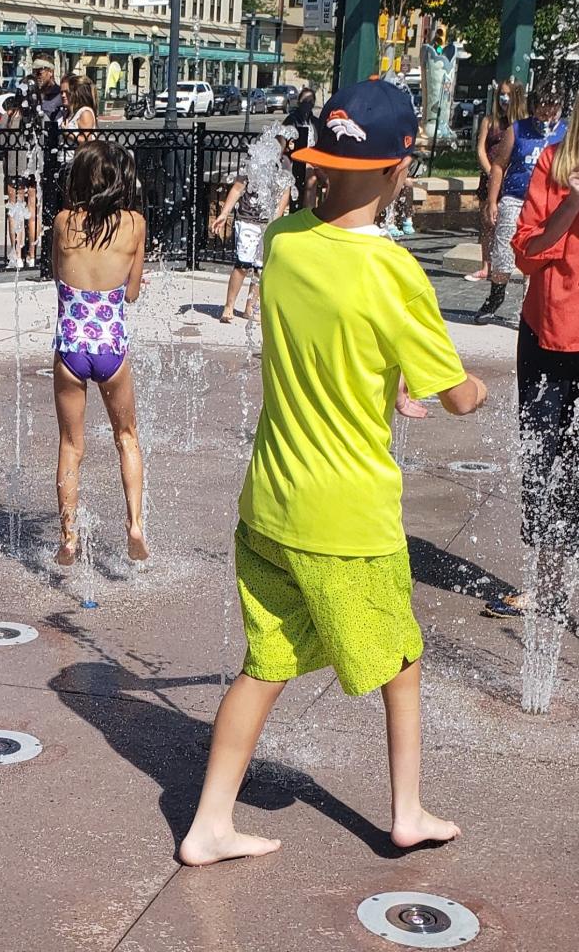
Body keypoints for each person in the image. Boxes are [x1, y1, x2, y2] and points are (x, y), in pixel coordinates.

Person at [178, 80, 487, 867]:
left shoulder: (282, 241)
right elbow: (457, 397)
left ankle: (211, 822)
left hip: (271, 503)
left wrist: (383, 385)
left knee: (266, 663)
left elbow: (328, 344)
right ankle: (407, 812)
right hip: (347, 516)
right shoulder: (393, 274)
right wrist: (470, 388)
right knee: (403, 659)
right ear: (399, 169)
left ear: (321, 162)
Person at [482, 114, 579, 659]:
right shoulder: (555, 162)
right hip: (548, 335)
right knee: (543, 464)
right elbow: (524, 252)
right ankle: (545, 587)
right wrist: (571, 204)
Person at [51, 139, 148, 567]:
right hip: (111, 347)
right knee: (126, 438)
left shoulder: (61, 222)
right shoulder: (134, 225)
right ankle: (135, 526)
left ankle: (69, 536)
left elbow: (58, 275)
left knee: (71, 445)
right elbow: (131, 293)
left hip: (71, 346)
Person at [476, 84, 565, 324]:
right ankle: (495, 296)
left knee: (539, 253)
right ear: (535, 105)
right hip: (515, 198)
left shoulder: (565, 132)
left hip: (549, 203)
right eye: (544, 105)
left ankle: (527, 309)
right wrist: (492, 200)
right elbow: (498, 164)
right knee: (503, 249)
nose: (548, 111)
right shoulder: (518, 129)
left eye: (554, 105)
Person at [210, 149, 292, 323]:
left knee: (260, 268)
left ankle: (250, 307)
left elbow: (285, 194)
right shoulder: (254, 159)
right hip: (247, 220)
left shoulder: (284, 163)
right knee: (243, 264)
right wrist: (224, 214)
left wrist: (275, 220)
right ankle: (229, 305)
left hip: (266, 222)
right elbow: (238, 188)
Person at [468, 80, 527, 282]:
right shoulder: (490, 121)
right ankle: (486, 265)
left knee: (509, 223)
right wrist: (491, 173)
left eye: (508, 94)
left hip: (511, 179)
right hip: (490, 175)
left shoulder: (522, 124)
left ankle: (508, 264)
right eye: (501, 94)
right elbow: (481, 149)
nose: (504, 98)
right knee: (487, 222)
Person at [0, 94, 38, 270]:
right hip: (33, 167)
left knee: (14, 210)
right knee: (32, 210)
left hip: (15, 166)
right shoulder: (37, 115)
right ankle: (32, 254)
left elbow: (2, 141)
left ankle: (17, 254)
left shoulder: (10, 116)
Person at [284, 87, 317, 212]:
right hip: (296, 159)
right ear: (298, 102)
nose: (307, 104)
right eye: (305, 101)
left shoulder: (315, 122)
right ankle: (307, 213)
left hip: (312, 159)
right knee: (311, 180)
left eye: (310, 101)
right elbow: (283, 140)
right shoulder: (291, 120)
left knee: (331, 179)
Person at [32, 57, 64, 122]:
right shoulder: (34, 94)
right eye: (34, 73)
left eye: (39, 72)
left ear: (50, 72)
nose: (37, 76)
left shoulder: (61, 94)